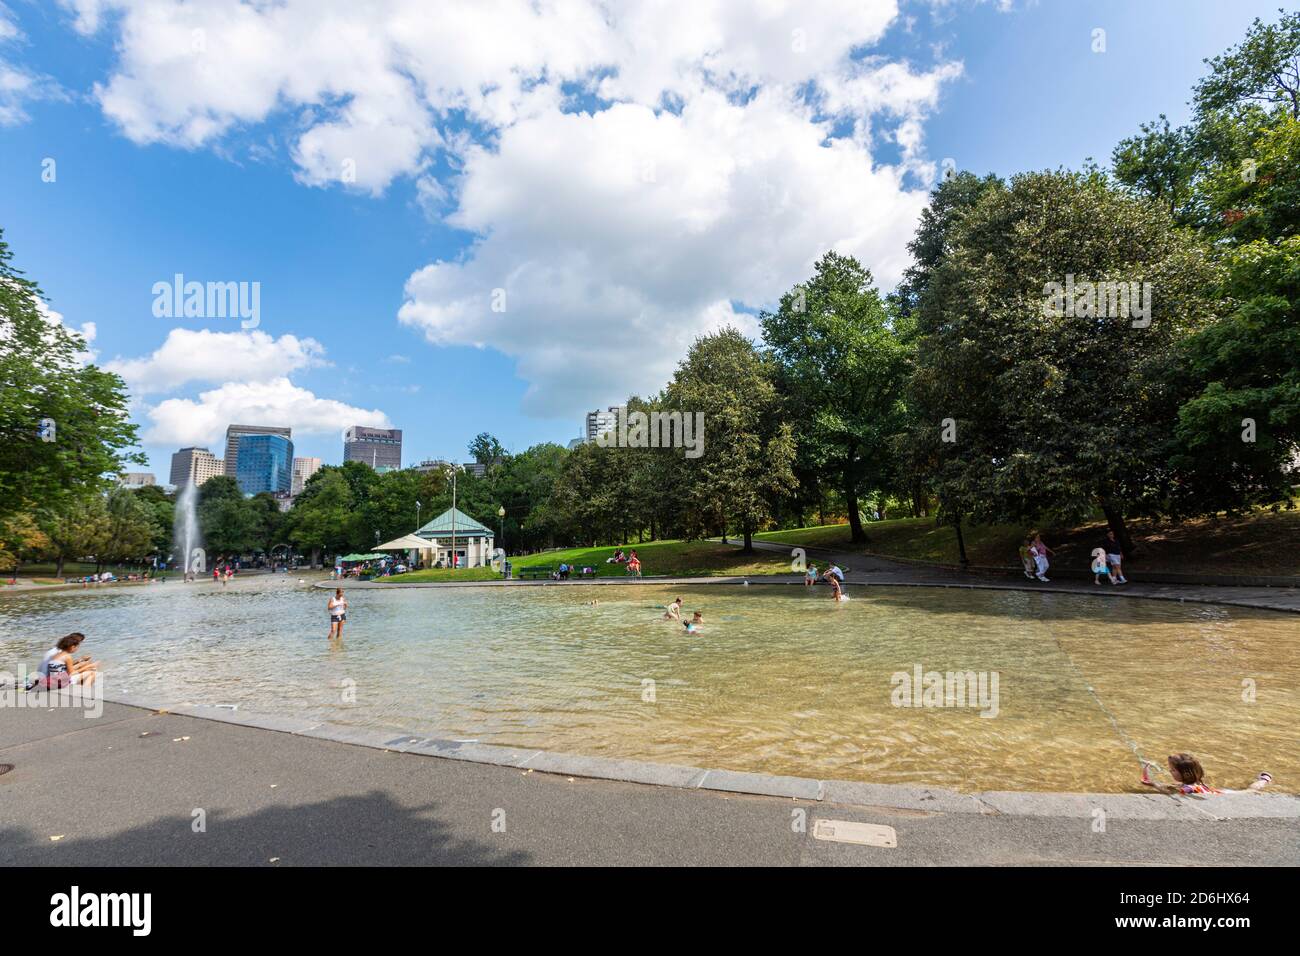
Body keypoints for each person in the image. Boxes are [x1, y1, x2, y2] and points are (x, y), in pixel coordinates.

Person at [1141, 753, 1272, 795]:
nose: (1170, 771)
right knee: (1247, 790)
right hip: (1218, 792)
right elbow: (1173, 787)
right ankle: (1262, 780)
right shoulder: (1191, 783)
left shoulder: (1188, 788)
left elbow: (1171, 791)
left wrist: (1154, 784)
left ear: (1185, 774)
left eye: (1173, 770)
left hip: (1224, 795)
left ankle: (1264, 780)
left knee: (1249, 791)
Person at [31, 632, 98, 689]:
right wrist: (88, 667)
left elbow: (60, 669)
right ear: (72, 647)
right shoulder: (67, 656)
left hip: (53, 680)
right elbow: (71, 673)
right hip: (61, 682)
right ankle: (85, 695)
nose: (77, 649)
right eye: (77, 646)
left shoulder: (56, 654)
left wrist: (81, 664)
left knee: (86, 671)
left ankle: (79, 691)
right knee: (92, 673)